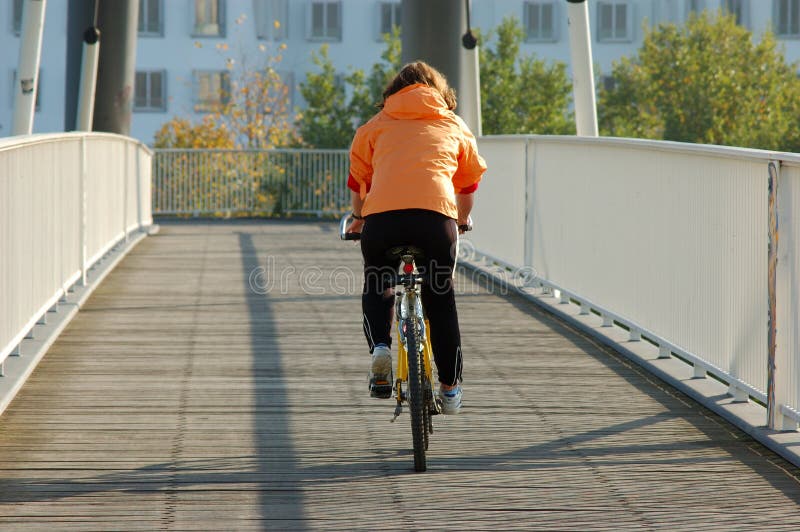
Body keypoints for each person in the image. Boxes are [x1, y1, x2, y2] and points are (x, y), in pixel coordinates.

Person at [345, 61, 487, 414]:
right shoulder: (453, 125)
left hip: (382, 222)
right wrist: (463, 218)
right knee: (441, 299)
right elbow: (468, 184)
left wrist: (359, 220)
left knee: (378, 279)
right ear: (438, 91)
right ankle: (451, 389)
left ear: (393, 92)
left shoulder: (372, 128)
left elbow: (358, 185)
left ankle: (380, 348)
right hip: (435, 221)